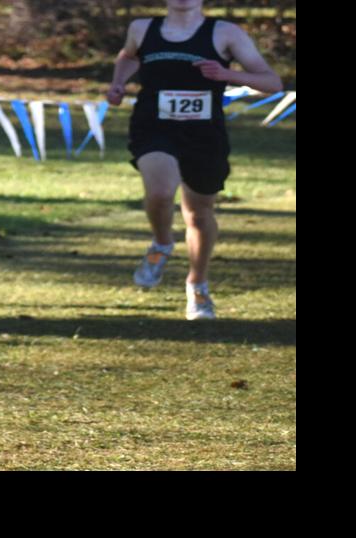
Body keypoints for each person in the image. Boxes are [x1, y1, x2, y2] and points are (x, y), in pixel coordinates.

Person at [106, 0, 283, 320]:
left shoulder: (226, 34)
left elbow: (272, 82)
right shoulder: (143, 29)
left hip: (204, 135)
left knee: (199, 214)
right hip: (153, 126)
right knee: (160, 191)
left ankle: (197, 284)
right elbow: (128, 57)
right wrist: (118, 82)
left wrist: (226, 73)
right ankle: (161, 244)